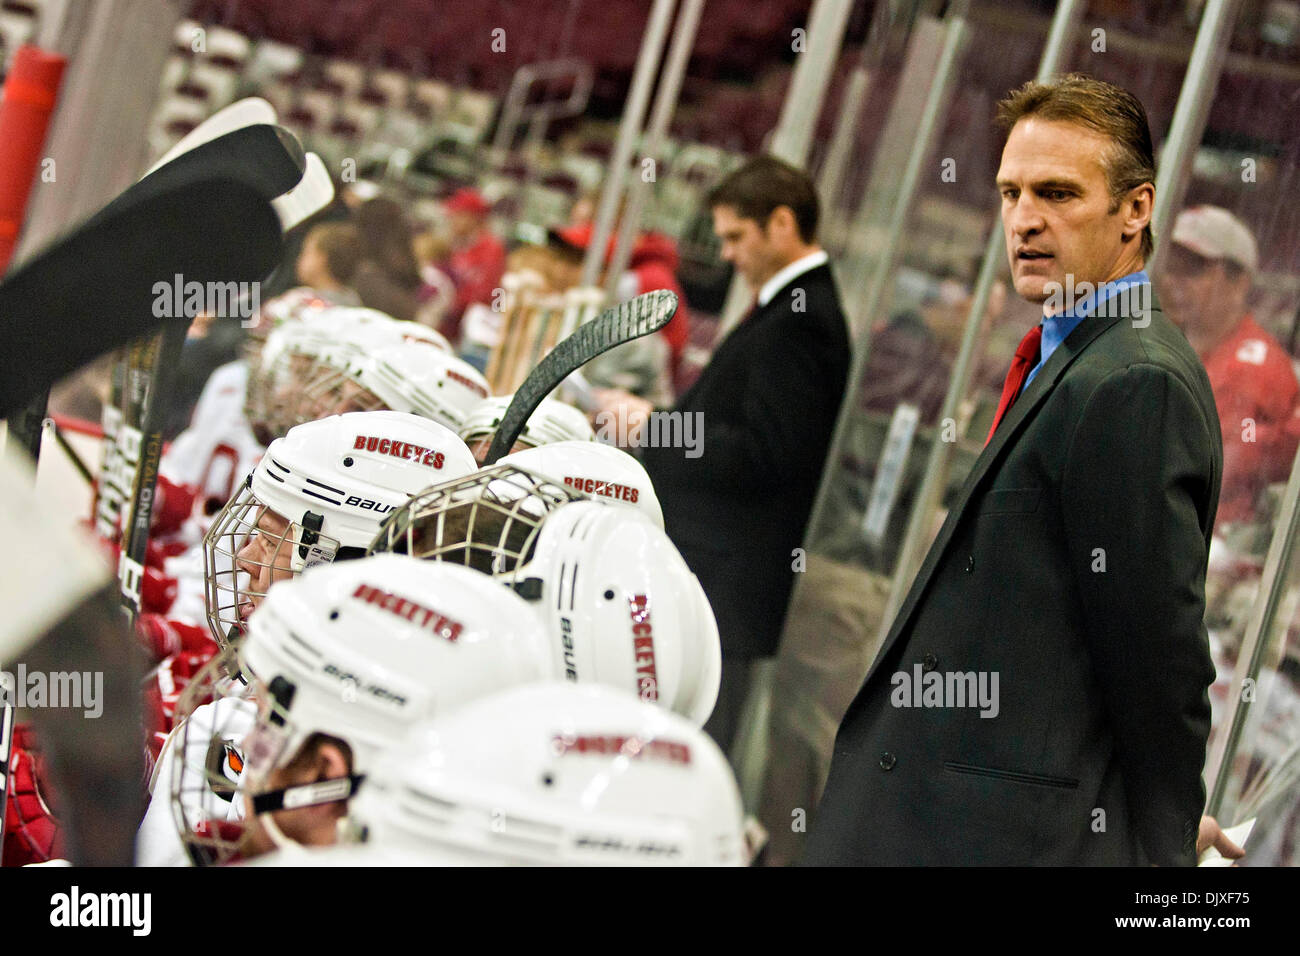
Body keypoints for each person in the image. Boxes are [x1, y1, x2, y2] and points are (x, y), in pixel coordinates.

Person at [804, 74, 1222, 866]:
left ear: (1136, 209)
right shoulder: (1073, 355)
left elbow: (1158, 662)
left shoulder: (1135, 381)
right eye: (1010, 193)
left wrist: (1158, 839)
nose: (1024, 220)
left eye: (1058, 193)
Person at [592, 156, 851, 755]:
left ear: (782, 224)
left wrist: (651, 427)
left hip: (724, 591)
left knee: (686, 755)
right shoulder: (789, 307)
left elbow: (763, 451)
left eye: (737, 237)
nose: (728, 255)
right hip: (714, 581)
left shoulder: (802, 319)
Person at [1159, 205, 1300, 527]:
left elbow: (1195, 482)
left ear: (1239, 283)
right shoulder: (1179, 348)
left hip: (1212, 550)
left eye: (1193, 269)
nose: (1174, 281)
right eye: (1171, 265)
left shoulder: (1247, 371)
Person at [441, 187, 506, 346]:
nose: (452, 220)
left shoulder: (491, 249)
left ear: (473, 218)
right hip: (451, 323)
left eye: (458, 215)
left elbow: (484, 294)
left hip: (472, 331)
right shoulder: (456, 243)